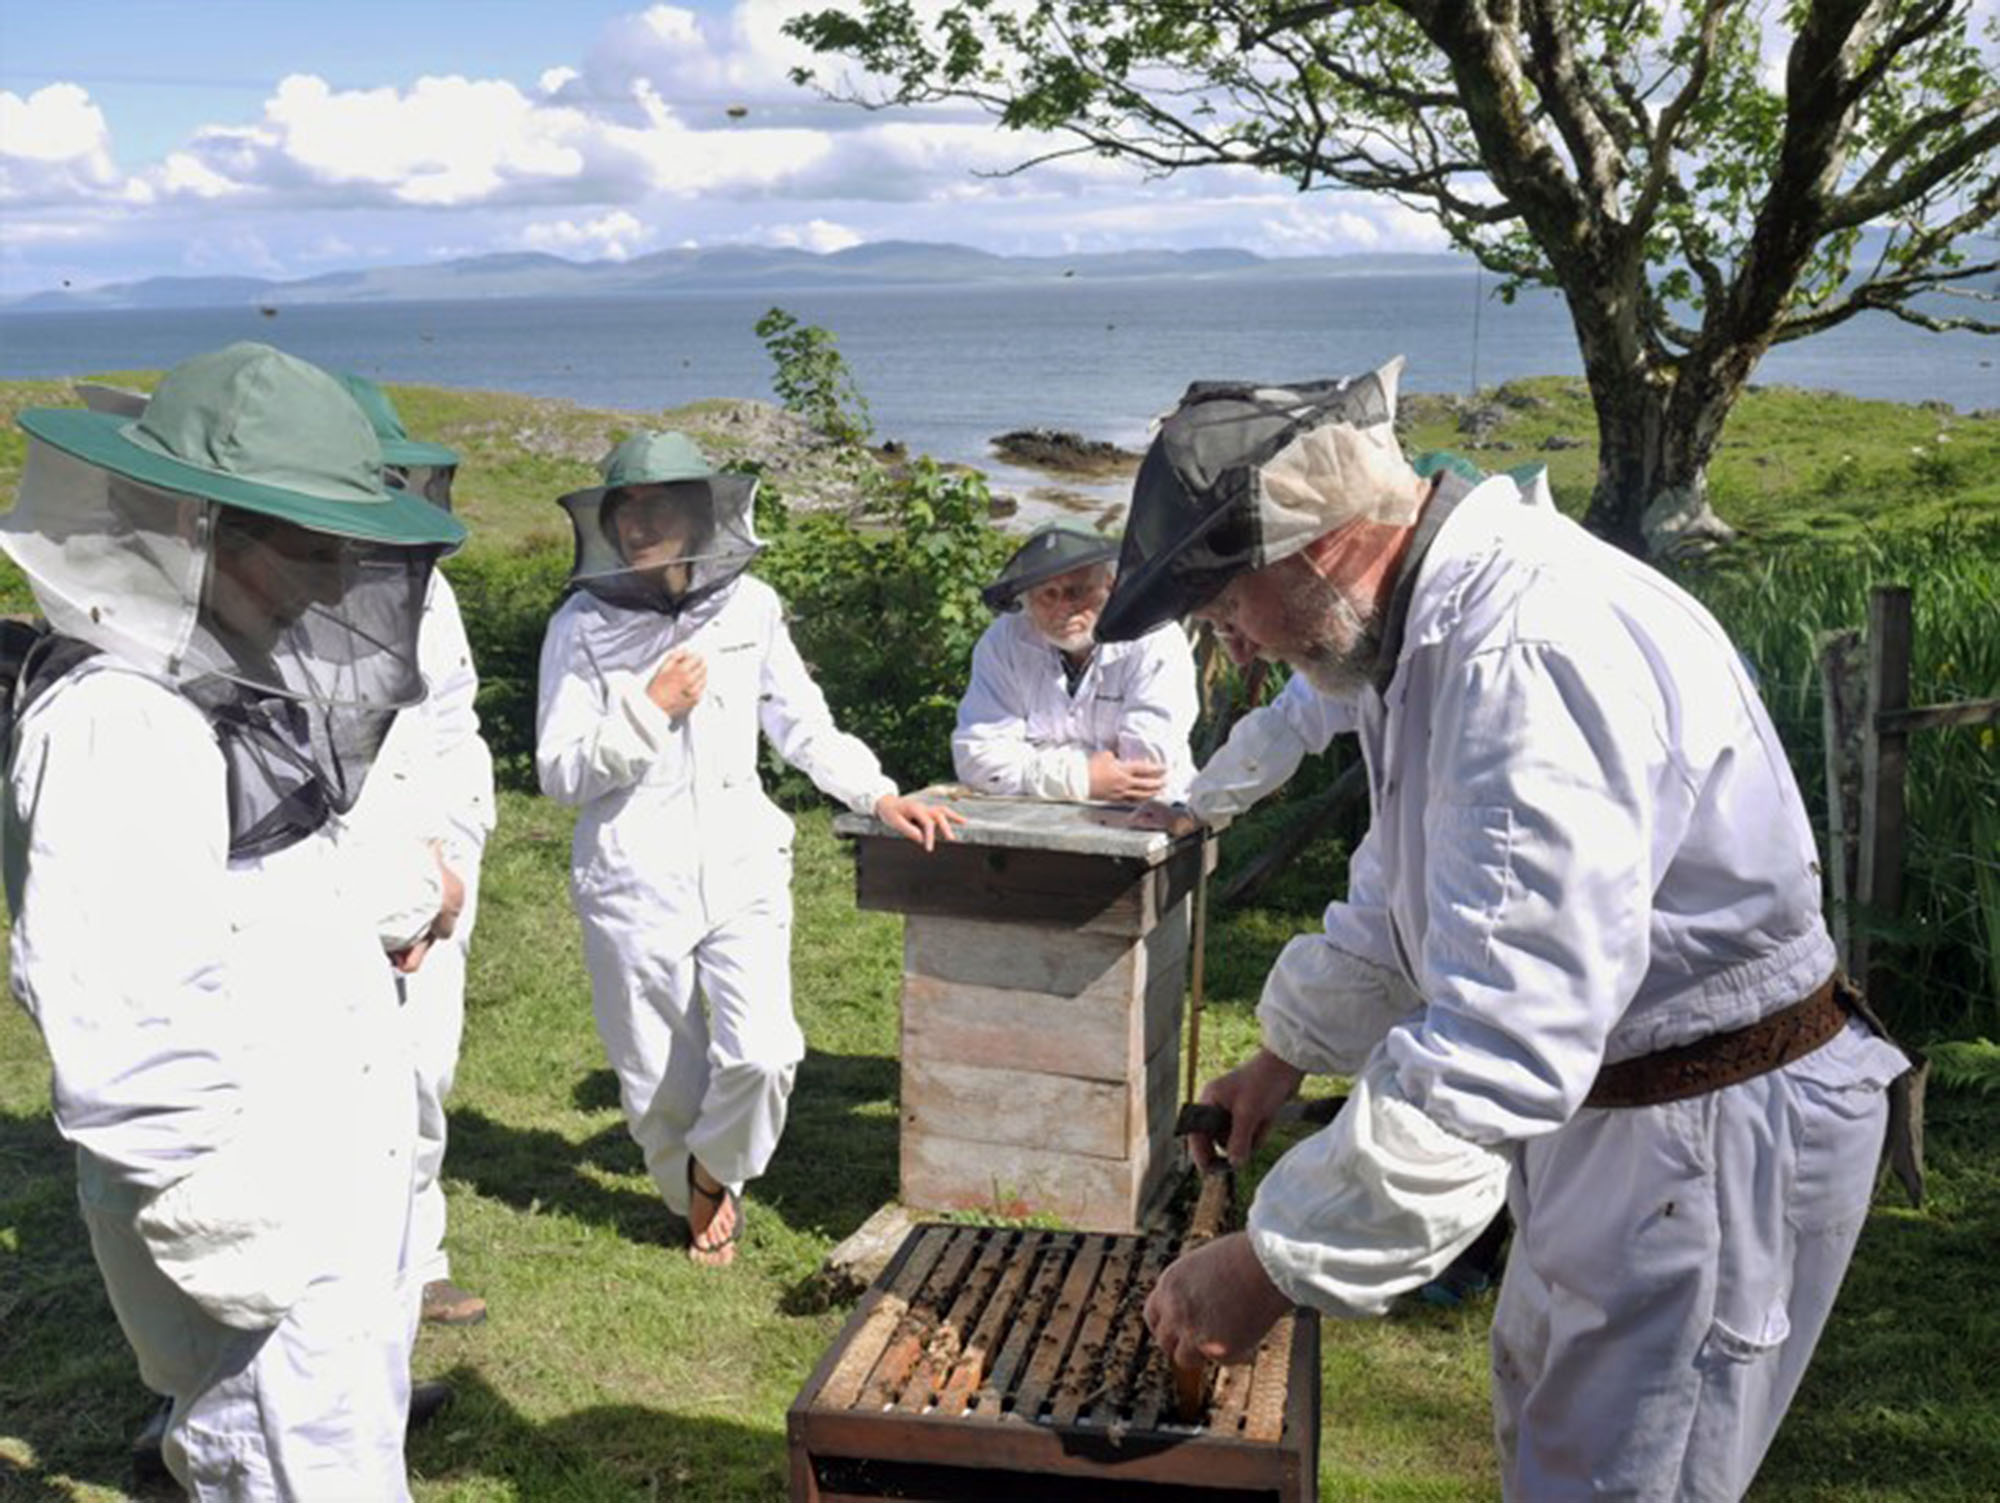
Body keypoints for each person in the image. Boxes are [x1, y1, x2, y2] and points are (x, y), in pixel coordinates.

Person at [1109, 359, 1910, 1499]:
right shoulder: (1421, 639)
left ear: (1317, 545)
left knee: (1621, 1483)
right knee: (1550, 1453)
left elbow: (1503, 1033)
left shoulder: (1520, 652)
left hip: (1702, 1136)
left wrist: (1274, 1262)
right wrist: (1279, 1057)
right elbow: (1416, 901)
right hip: (1622, 1121)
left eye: (1228, 609)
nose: (1236, 652)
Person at [2, 342, 465, 1496]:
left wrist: (418, 887)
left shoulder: (210, 684)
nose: (324, 582)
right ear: (197, 525)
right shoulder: (119, 722)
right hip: (263, 1235)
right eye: (302, 546)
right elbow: (121, 1033)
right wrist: (249, 1256)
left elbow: (280, 894)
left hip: (322, 1192)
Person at [536, 431, 963, 1267]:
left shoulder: (750, 606)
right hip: (631, 873)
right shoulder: (580, 624)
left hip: (741, 858)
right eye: (627, 508)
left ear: (699, 513)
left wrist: (876, 792)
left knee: (766, 1051)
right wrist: (648, 710)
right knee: (658, 1075)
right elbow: (559, 770)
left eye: (658, 507)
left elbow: (803, 722)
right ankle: (691, 1190)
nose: (639, 524)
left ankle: (715, 1169)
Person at [333, 372, 497, 1328]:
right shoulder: (272, 595)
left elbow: (453, 726)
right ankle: (354, 1275)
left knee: (426, 1068)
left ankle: (416, 1253)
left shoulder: (430, 592)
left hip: (432, 858)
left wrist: (451, 876)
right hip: (336, 874)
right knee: (342, 1080)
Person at [952, 521, 1198, 803]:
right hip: (1031, 820)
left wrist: (1033, 761)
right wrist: (1081, 778)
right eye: (1048, 594)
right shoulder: (1002, 641)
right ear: (1028, 600)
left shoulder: (1155, 637)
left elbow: (1145, 766)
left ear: (1110, 585)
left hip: (1152, 817)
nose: (1063, 608)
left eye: (1077, 592)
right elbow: (976, 758)